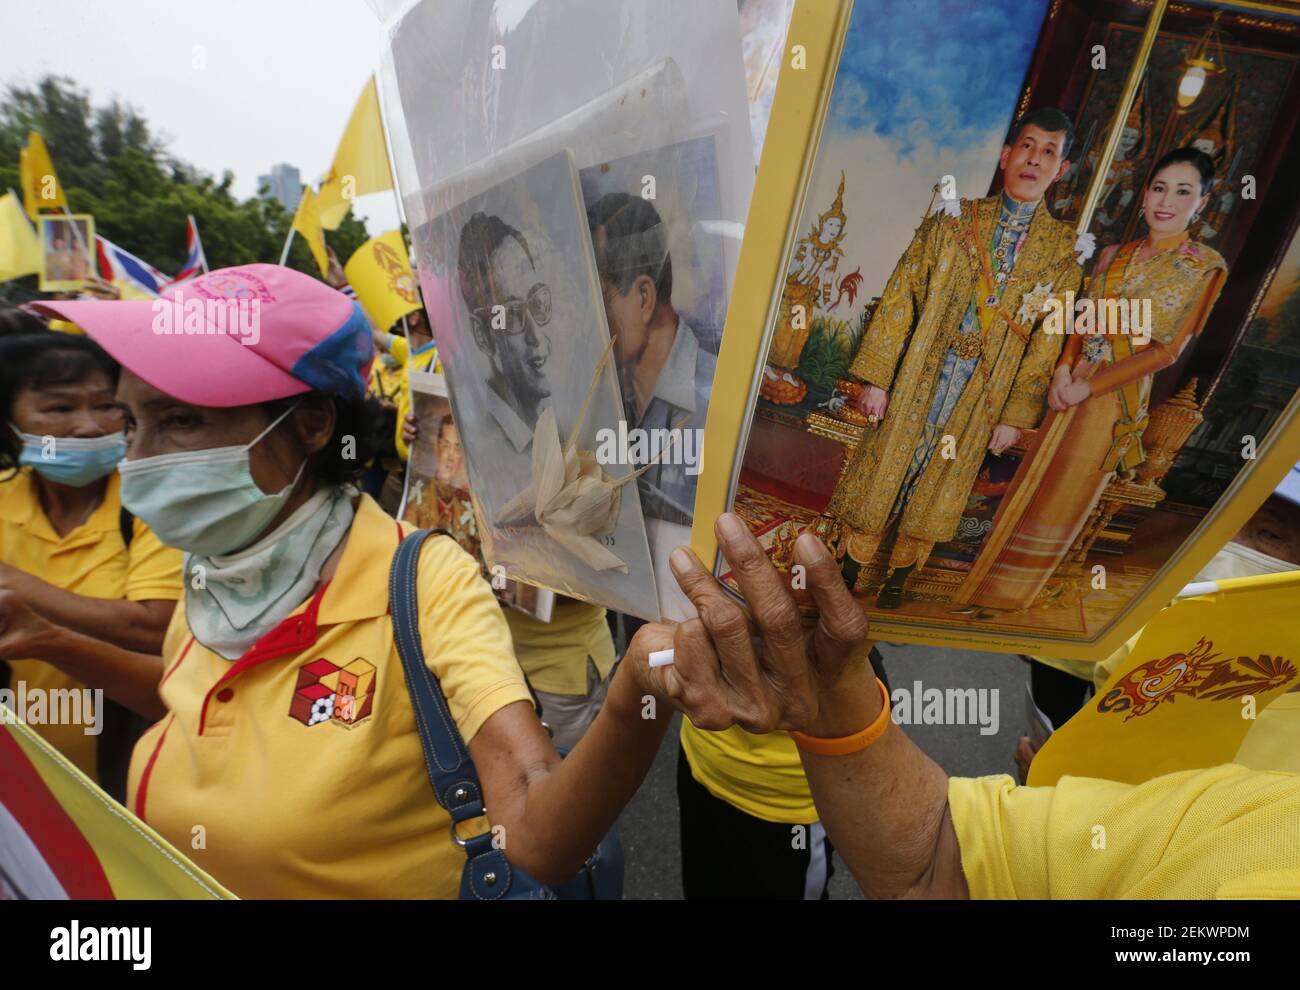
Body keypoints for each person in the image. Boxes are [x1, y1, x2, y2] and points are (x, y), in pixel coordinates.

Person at [10, 263, 684, 899]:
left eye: (182, 420)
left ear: (310, 426)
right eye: (131, 422)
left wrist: (635, 693)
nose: (139, 458)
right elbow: (196, 703)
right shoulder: (215, 561)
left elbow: (533, 836)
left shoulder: (423, 582)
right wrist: (48, 641)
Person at [641, 514, 1300, 898]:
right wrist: (827, 694)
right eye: (1262, 524)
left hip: (785, 798)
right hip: (721, 775)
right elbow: (939, 862)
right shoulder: (1259, 824)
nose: (1263, 546)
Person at [811, 107, 1085, 609]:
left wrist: (1014, 416)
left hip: (982, 393)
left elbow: (1049, 340)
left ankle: (899, 580)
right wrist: (878, 378)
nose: (1034, 159)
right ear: (1006, 155)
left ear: (1061, 170)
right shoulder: (955, 222)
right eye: (1027, 145)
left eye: (1049, 152)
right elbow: (902, 296)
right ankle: (850, 569)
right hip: (921, 372)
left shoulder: (1063, 254)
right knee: (884, 469)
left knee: (943, 476)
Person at [969, 148, 1226, 616]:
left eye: (1184, 192)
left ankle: (1011, 603)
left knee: (1064, 495)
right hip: (1069, 386)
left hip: (1112, 398)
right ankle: (978, 590)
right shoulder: (1112, 256)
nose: (1166, 201)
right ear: (1145, 193)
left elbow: (1166, 351)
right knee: (1032, 484)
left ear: (1203, 203)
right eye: (1159, 187)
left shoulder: (1202, 266)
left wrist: (1088, 387)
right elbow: (1082, 321)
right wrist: (1065, 371)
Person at [0, 331, 181, 795]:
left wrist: (15, 586)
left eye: (106, 406)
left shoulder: (154, 502)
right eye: (59, 409)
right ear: (8, 421)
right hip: (16, 780)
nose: (88, 427)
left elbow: (155, 627)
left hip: (118, 773)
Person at [588, 192, 714, 526]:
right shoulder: (606, 396)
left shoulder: (716, 398)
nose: (586, 322)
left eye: (597, 299)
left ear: (644, 298)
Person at [459, 211, 554, 453]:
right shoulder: (487, 443)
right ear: (482, 336)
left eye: (537, 302)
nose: (536, 336)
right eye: (512, 314)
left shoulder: (549, 425)